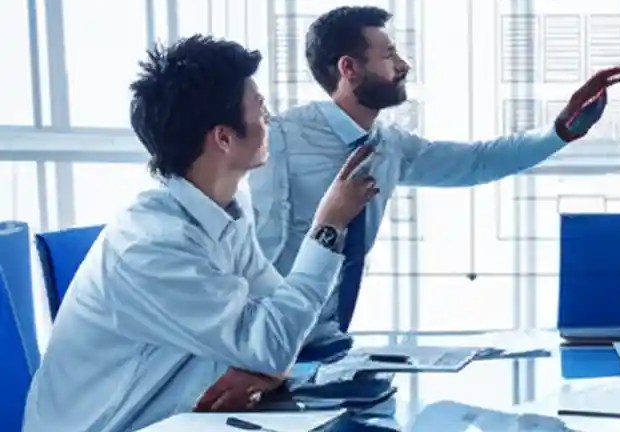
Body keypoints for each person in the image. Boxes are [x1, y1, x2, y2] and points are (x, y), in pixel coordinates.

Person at [24, 36, 377, 431]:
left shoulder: (225, 213)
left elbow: (285, 325)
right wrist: (328, 226)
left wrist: (267, 369)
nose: (270, 121)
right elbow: (275, 340)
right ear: (224, 138)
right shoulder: (154, 247)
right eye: (260, 110)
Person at [250, 5, 620, 355]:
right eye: (389, 55)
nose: (403, 65)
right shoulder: (276, 140)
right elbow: (247, 248)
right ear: (349, 68)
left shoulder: (389, 147)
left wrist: (559, 131)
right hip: (266, 346)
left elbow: (477, 162)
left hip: (330, 347)